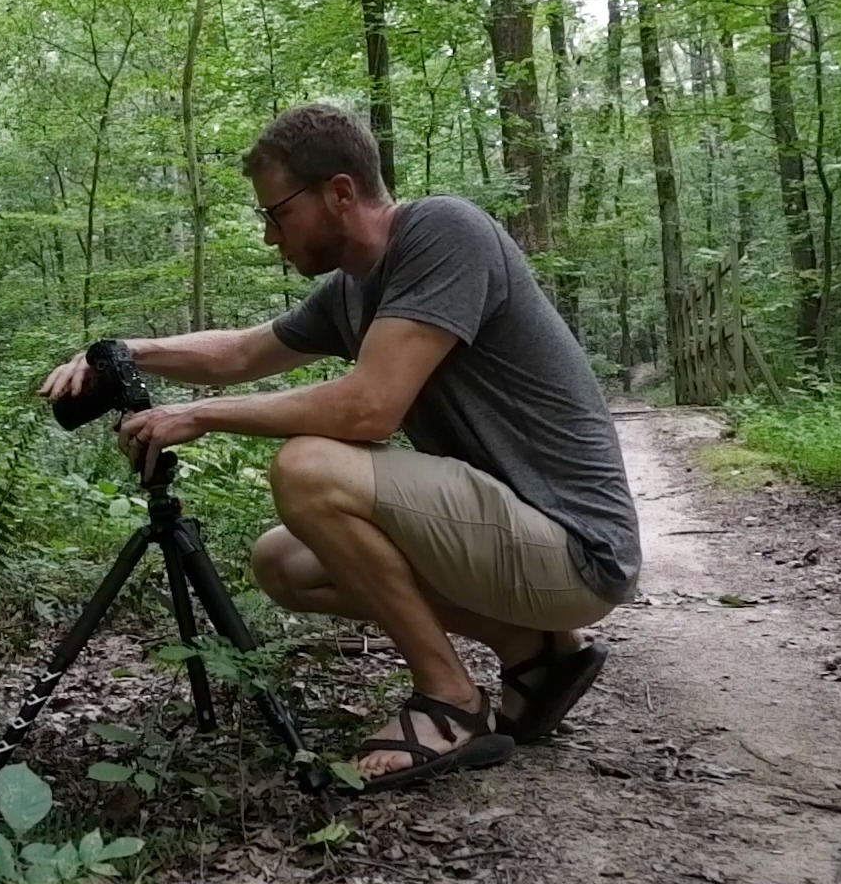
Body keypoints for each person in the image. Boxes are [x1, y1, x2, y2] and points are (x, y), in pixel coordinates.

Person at [38, 102, 641, 794]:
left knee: (308, 468)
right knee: (285, 564)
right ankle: (534, 656)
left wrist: (198, 418)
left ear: (341, 192)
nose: (270, 237)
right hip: (514, 535)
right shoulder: (353, 292)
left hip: (576, 549)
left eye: (277, 214)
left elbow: (370, 405)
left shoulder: (445, 232)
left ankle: (449, 699)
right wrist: (120, 352)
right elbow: (240, 352)